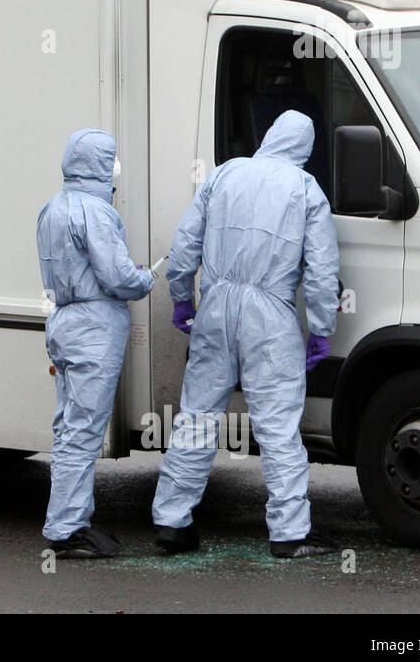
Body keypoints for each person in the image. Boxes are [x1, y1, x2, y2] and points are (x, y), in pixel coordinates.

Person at [151, 110, 340, 559]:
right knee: (277, 426)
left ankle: (172, 521)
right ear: (306, 149)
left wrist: (182, 298)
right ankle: (289, 533)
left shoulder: (225, 174)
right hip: (270, 315)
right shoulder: (304, 189)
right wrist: (321, 328)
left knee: (197, 415)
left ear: (269, 135)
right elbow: (321, 269)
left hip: (215, 307)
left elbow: (184, 246)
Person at [37, 129, 155, 558]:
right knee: (84, 431)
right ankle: (67, 530)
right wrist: (146, 277)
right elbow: (118, 277)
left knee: (68, 427)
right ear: (100, 164)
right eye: (112, 159)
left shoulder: (52, 208)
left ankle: (71, 520)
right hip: (93, 328)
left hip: (64, 321)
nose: (115, 167)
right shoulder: (97, 212)